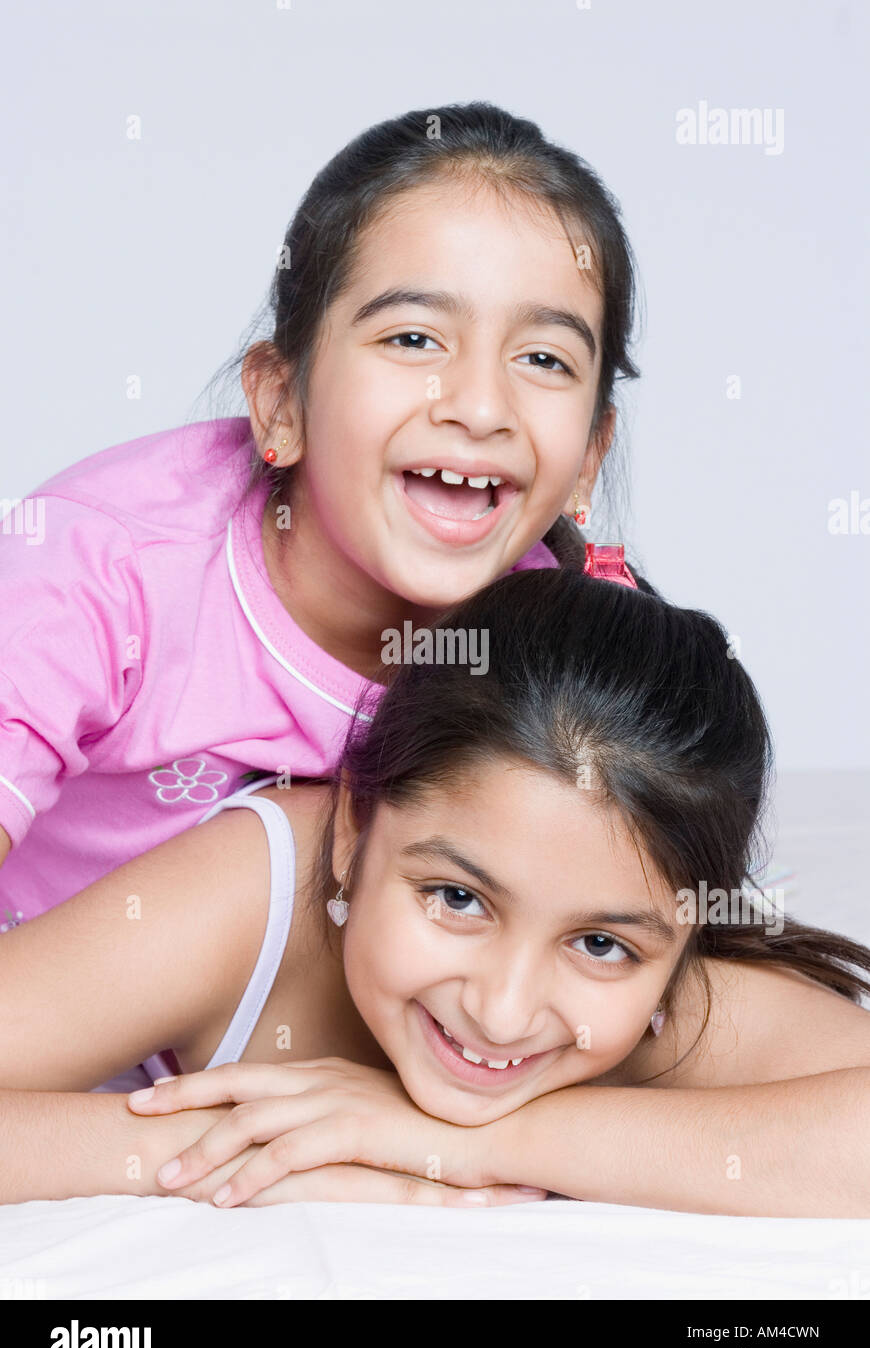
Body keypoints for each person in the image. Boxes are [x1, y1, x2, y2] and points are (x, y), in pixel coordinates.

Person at [0, 101, 650, 979]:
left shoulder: (575, 646)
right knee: (294, 842)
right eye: (414, 338)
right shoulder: (105, 571)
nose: (482, 408)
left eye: (543, 359)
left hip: (333, 1056)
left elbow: (659, 942)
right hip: (44, 1036)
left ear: (589, 459)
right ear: (281, 402)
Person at [2, 569, 868, 1216]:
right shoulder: (250, 894)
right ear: (353, 831)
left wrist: (461, 1143)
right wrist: (258, 1141)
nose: (501, 1010)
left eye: (599, 945)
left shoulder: (657, 991)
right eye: (457, 900)